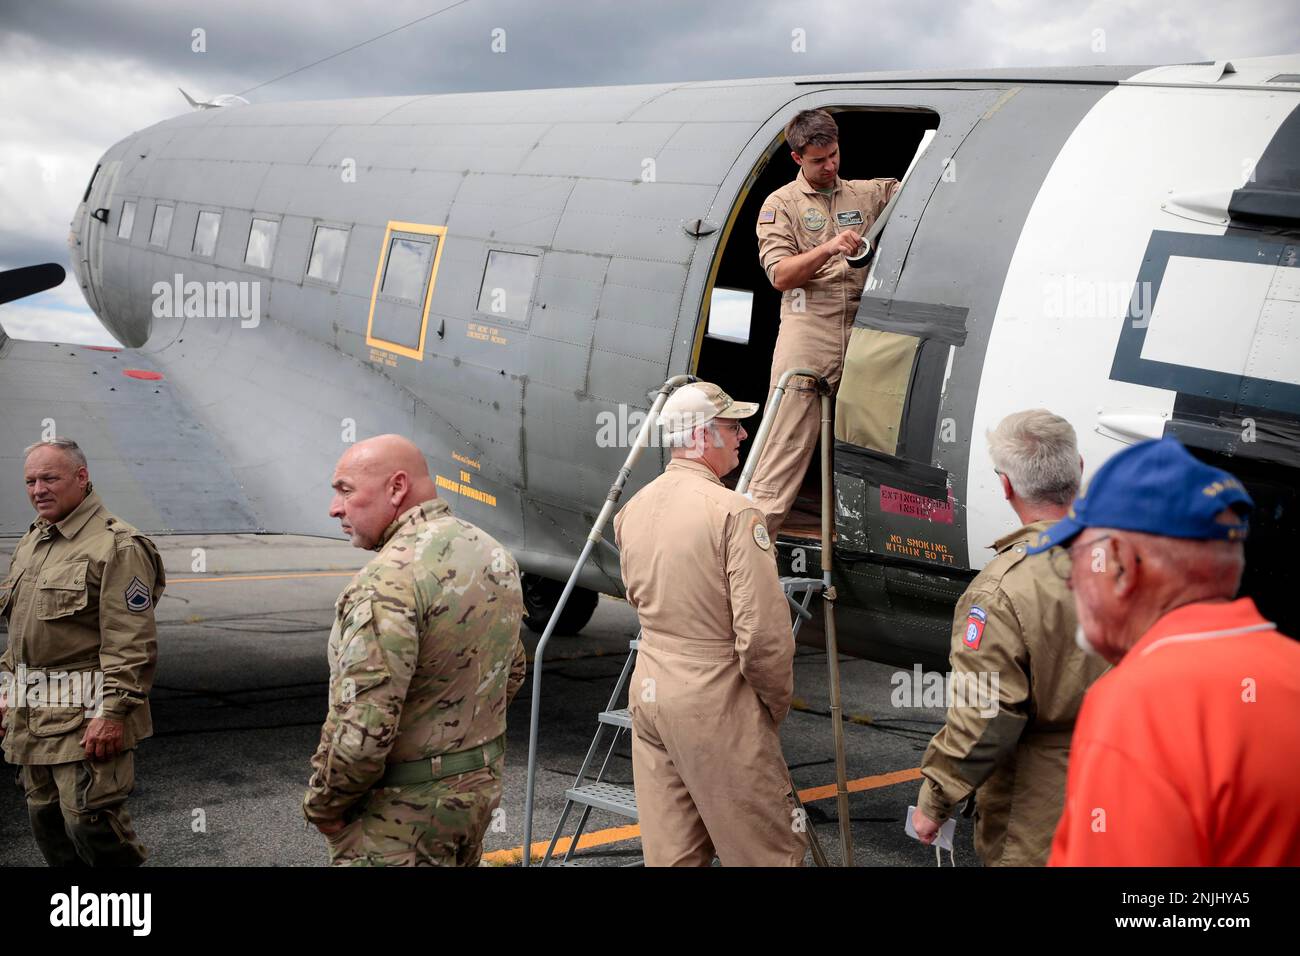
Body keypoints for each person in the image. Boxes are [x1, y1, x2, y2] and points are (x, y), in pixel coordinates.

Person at [1027, 437, 1300, 866]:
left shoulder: (1140, 706)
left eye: (1073, 556)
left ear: (1119, 562)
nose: (1070, 581)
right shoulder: (1290, 669)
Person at [303, 434, 526, 866]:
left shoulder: (386, 581)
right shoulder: (491, 552)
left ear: (396, 488)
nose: (335, 507)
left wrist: (324, 807)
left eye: (346, 490)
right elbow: (510, 670)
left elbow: (363, 731)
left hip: (401, 816)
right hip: (476, 795)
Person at [615, 382, 805, 866]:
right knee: (768, 854)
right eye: (730, 426)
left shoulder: (631, 510)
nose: (742, 434)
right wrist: (770, 708)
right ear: (700, 437)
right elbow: (762, 638)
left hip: (652, 688)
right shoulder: (735, 513)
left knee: (672, 855)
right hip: (715, 700)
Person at [911, 411, 1108, 865]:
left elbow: (988, 714)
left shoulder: (1000, 590)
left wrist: (936, 800)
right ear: (1078, 468)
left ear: (1006, 486)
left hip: (1042, 818)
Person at [0, 438, 163, 866]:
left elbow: (131, 643)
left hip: (85, 715)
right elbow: (18, 632)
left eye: (50, 478)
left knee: (90, 823)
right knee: (46, 821)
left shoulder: (118, 545)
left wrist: (112, 714)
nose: (39, 490)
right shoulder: (34, 541)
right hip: (30, 712)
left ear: (82, 478)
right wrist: (5, 690)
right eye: (31, 481)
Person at [751, 108, 901, 534]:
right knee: (786, 439)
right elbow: (780, 275)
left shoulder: (864, 194)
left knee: (872, 427)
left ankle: (865, 533)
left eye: (834, 154)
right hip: (809, 324)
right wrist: (830, 248)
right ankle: (753, 538)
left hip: (863, 324)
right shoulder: (780, 205)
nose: (830, 165)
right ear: (797, 158)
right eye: (818, 160)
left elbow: (908, 191)